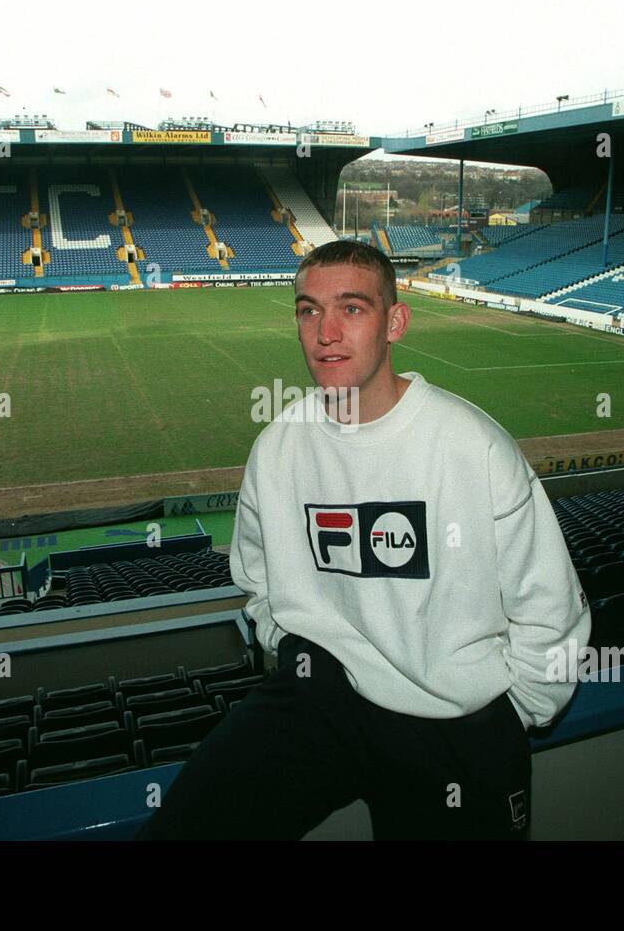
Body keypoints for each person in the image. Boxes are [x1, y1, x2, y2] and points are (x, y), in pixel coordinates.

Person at [135, 240, 590, 840]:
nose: (325, 332)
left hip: (453, 718)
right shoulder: (278, 448)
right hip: (318, 693)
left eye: (351, 309)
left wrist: (508, 716)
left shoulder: (470, 445)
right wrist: (295, 645)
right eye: (307, 310)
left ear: (394, 321)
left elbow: (549, 607)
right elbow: (257, 579)